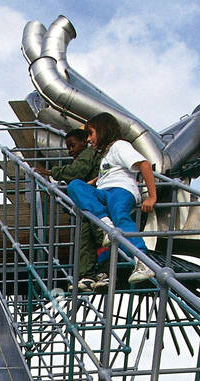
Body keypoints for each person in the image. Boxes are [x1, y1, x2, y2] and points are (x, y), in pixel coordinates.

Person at [66, 112, 159, 289]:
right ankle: (105, 226)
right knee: (75, 186)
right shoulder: (105, 155)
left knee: (120, 217)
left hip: (120, 191)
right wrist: (88, 185)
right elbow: (107, 174)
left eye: (91, 134)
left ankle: (143, 260)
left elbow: (144, 164)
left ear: (103, 131)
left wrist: (152, 196)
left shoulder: (119, 146)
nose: (88, 139)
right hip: (104, 192)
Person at [34, 128, 104, 285]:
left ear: (84, 142)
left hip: (93, 203)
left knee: (93, 236)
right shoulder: (88, 155)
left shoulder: (88, 154)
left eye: (73, 145)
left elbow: (76, 171)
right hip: (88, 204)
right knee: (86, 237)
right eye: (68, 147)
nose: (70, 150)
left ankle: (92, 273)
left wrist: (51, 172)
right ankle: (89, 275)